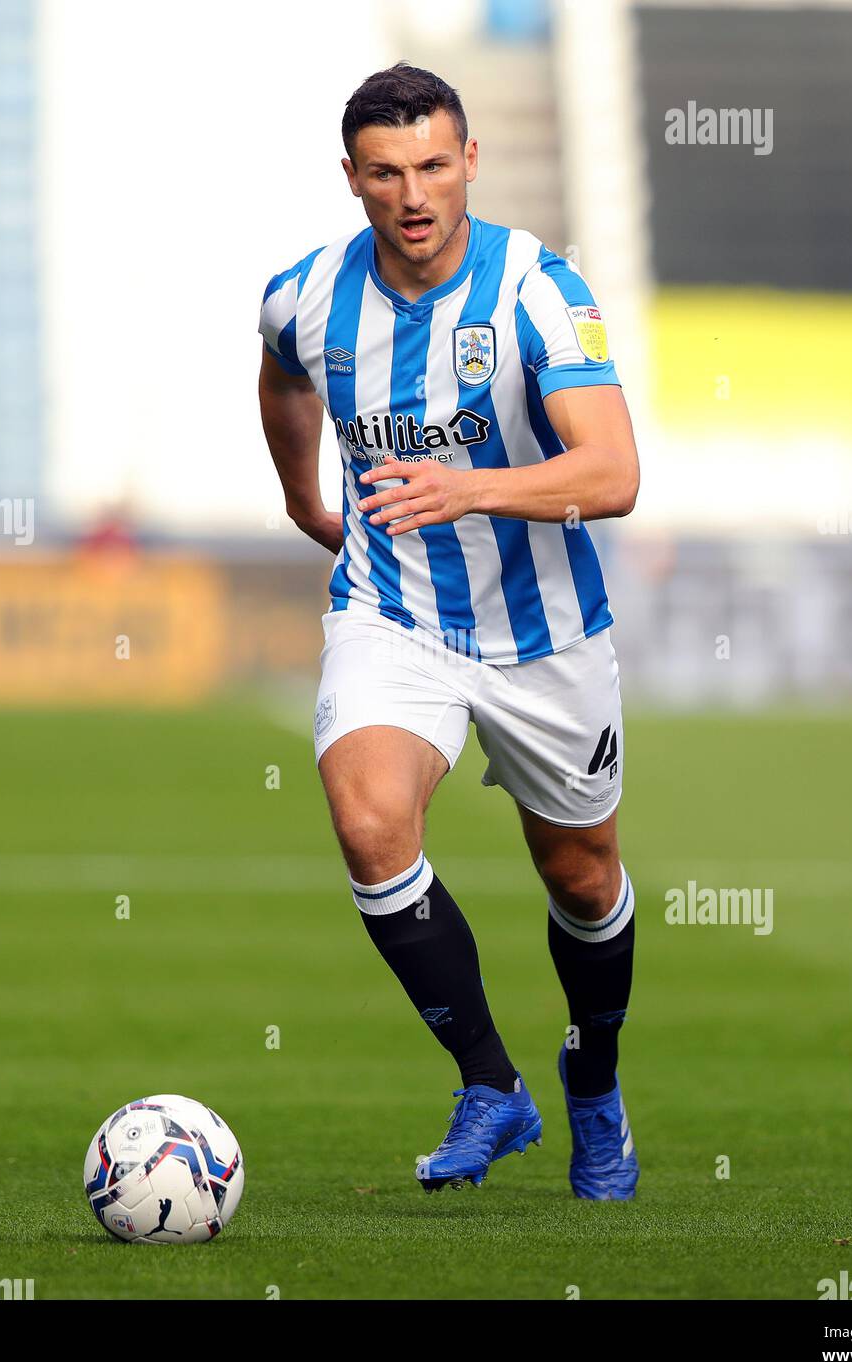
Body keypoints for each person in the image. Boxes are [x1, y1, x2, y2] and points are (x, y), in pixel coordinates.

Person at [257, 64, 642, 1198]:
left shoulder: (535, 290)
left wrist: (468, 487)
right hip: (392, 610)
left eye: (432, 165)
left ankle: (594, 1081)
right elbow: (282, 377)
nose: (412, 194)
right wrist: (299, 499)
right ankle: (491, 1083)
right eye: (385, 173)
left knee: (579, 875)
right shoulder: (307, 296)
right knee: (369, 821)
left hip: (545, 633)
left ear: (469, 160)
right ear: (352, 179)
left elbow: (614, 471)